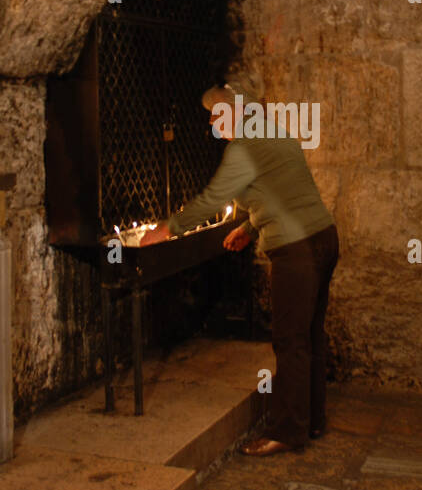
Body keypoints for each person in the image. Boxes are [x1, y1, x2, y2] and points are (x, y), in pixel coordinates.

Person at [140, 82, 340, 456]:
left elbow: (211, 199)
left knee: (289, 340)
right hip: (324, 239)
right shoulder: (275, 135)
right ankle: (312, 421)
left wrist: (165, 229)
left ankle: (286, 431)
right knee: (309, 335)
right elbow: (281, 192)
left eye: (218, 114)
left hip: (296, 250)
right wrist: (249, 229)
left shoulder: (243, 148)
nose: (214, 124)